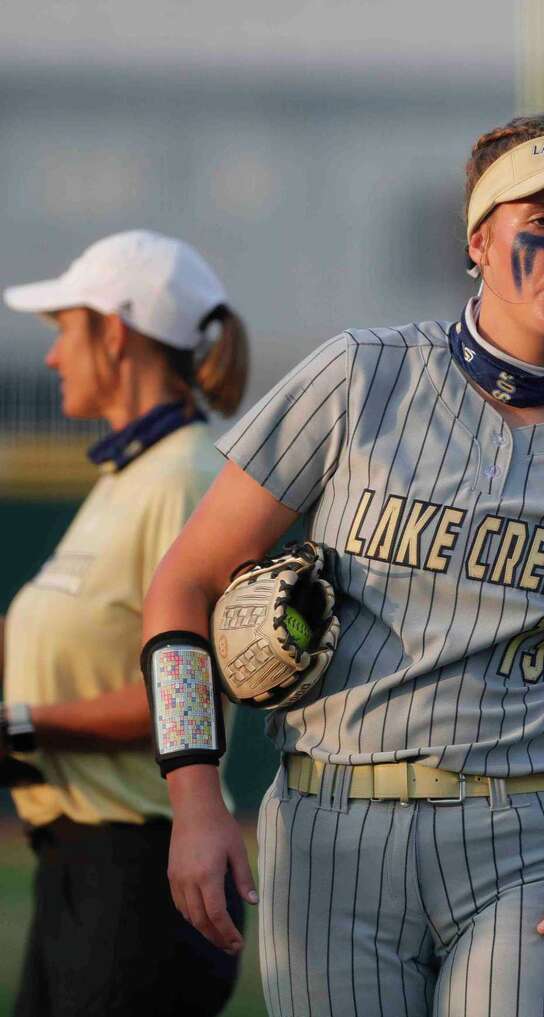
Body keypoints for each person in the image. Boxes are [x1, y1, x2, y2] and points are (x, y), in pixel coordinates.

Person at [141, 114, 544, 1017]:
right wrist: (195, 794)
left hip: (537, 841)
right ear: (479, 242)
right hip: (331, 827)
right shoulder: (359, 378)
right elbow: (187, 580)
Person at [0, 229, 251, 1016]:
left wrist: (19, 725)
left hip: (141, 876)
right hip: (79, 866)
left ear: (115, 331)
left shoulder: (188, 474)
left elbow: (186, 697)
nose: (52, 357)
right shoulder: (130, 473)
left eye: (65, 331)